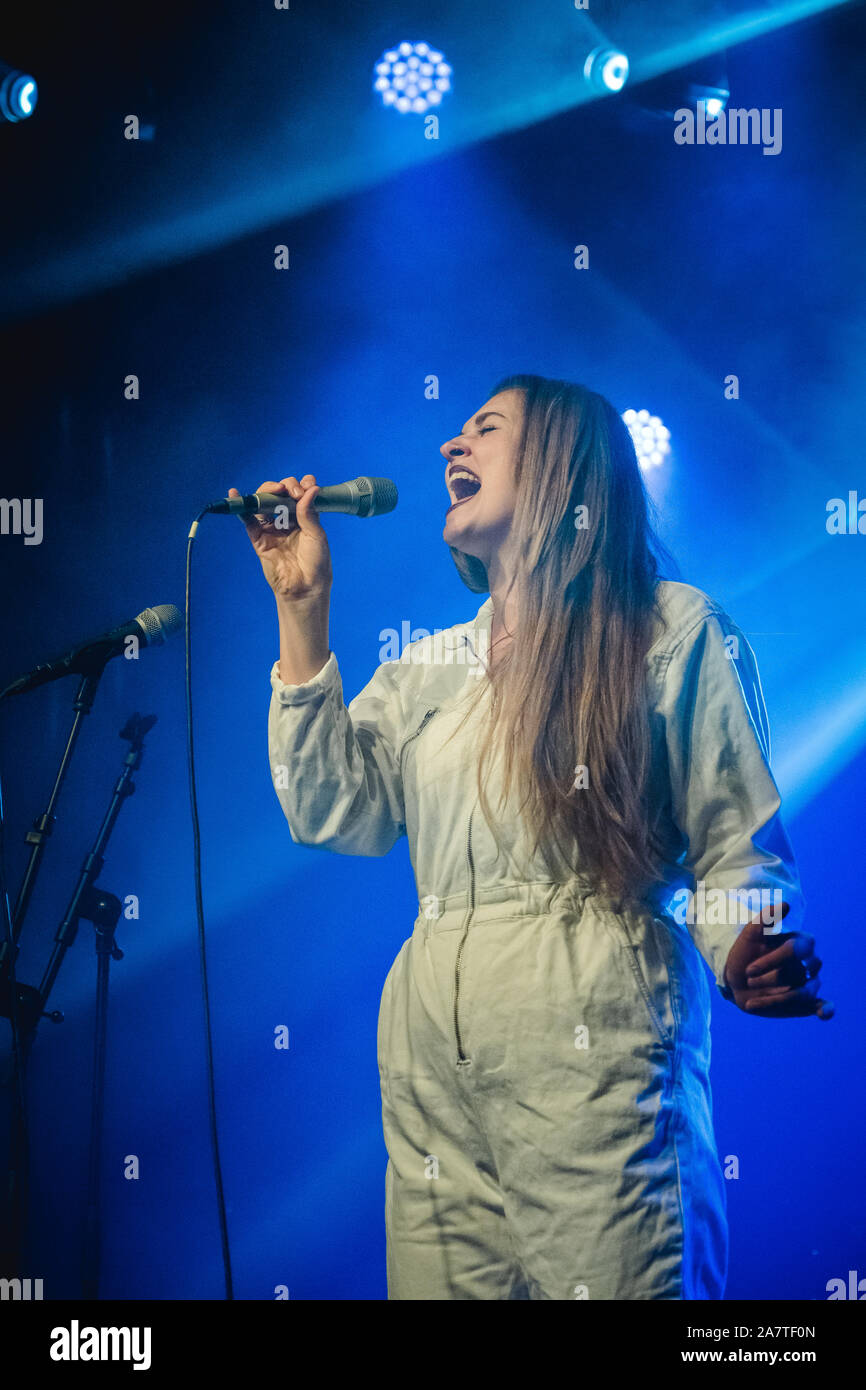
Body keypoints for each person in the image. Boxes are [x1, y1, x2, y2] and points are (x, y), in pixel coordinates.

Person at [232, 373, 831, 1301]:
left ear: (561, 464)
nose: (448, 447)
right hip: (432, 1062)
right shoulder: (426, 666)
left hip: (592, 1035)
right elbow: (329, 811)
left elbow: (735, 841)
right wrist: (302, 609)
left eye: (486, 428)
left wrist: (741, 941)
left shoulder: (669, 628)